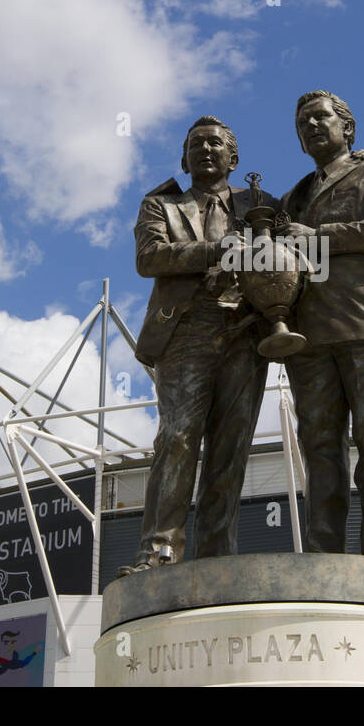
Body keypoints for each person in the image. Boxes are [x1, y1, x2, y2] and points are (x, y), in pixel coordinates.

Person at [118, 116, 277, 575]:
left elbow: (288, 260)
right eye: (196, 145)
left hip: (245, 330)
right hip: (186, 328)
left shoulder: (261, 204)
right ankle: (159, 550)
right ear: (184, 158)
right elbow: (149, 259)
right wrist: (218, 249)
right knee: (178, 438)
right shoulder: (160, 203)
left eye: (216, 144)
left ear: (234, 158)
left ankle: (216, 557)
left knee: (231, 447)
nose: (206, 150)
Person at [278, 90, 364, 560]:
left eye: (320, 117)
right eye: (302, 123)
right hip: (309, 334)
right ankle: (323, 553)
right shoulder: (292, 197)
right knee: (318, 445)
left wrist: (316, 238)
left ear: (346, 128)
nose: (311, 126)